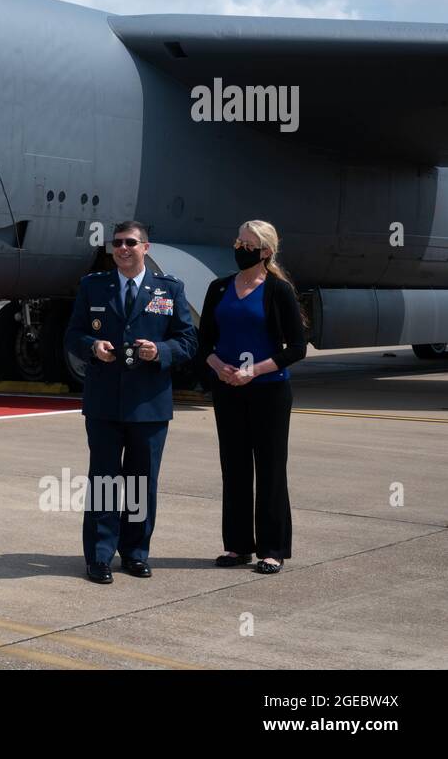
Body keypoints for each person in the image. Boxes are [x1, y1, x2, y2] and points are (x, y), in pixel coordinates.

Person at [65, 221, 197, 584]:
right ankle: (99, 556)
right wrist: (93, 347)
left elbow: (188, 341)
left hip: (149, 405)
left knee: (142, 483)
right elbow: (73, 334)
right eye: (117, 243)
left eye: (131, 243)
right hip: (105, 403)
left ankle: (135, 553)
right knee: (104, 480)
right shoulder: (93, 287)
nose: (123, 249)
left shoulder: (168, 289)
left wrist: (161, 351)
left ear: (146, 247)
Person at [197, 220, 307, 574]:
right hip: (228, 390)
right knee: (235, 467)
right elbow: (204, 343)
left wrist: (255, 370)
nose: (239, 248)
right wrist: (217, 366)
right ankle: (238, 546)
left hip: (269, 391)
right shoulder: (218, 288)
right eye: (238, 241)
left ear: (266, 252)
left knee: (271, 469)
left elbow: (298, 347)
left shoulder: (279, 291)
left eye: (248, 245)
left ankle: (273, 549)